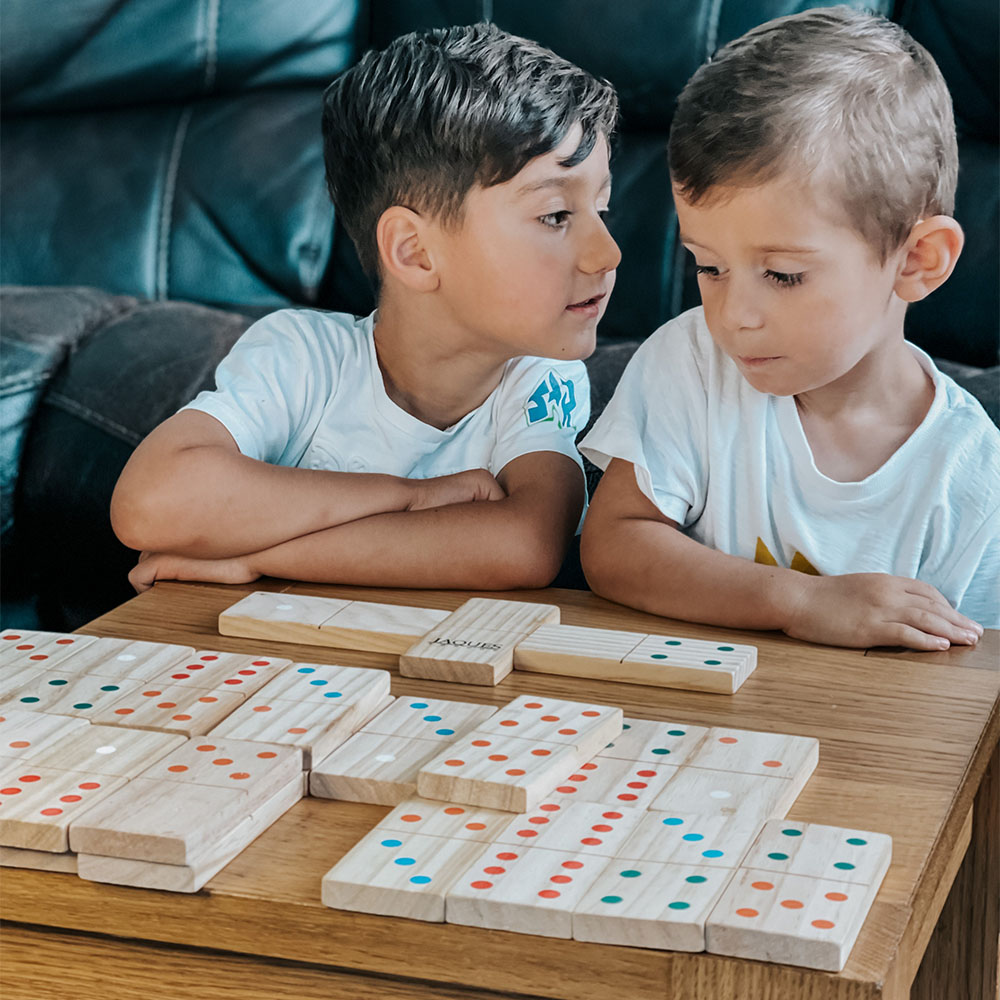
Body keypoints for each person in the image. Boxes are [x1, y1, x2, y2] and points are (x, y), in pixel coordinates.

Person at [111, 23, 620, 594]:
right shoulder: (302, 356)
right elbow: (150, 503)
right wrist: (413, 498)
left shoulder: (543, 381)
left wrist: (257, 557)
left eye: (604, 208)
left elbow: (524, 546)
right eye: (556, 215)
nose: (609, 251)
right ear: (416, 252)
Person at [580, 6, 999, 649]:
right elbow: (614, 545)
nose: (733, 316)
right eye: (709, 266)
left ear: (917, 261)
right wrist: (799, 601)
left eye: (781, 275)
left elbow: (972, 688)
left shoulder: (971, 477)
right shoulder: (691, 363)